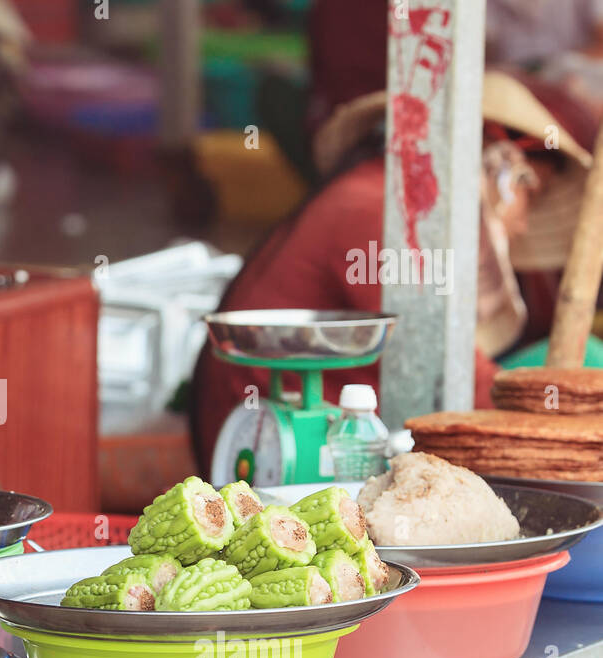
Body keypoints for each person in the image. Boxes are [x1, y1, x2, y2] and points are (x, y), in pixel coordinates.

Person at [191, 72, 593, 473]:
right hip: (276, 449)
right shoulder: (379, 213)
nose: (523, 224)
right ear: (501, 164)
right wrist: (566, 431)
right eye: (531, 193)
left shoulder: (382, 197)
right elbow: (446, 367)